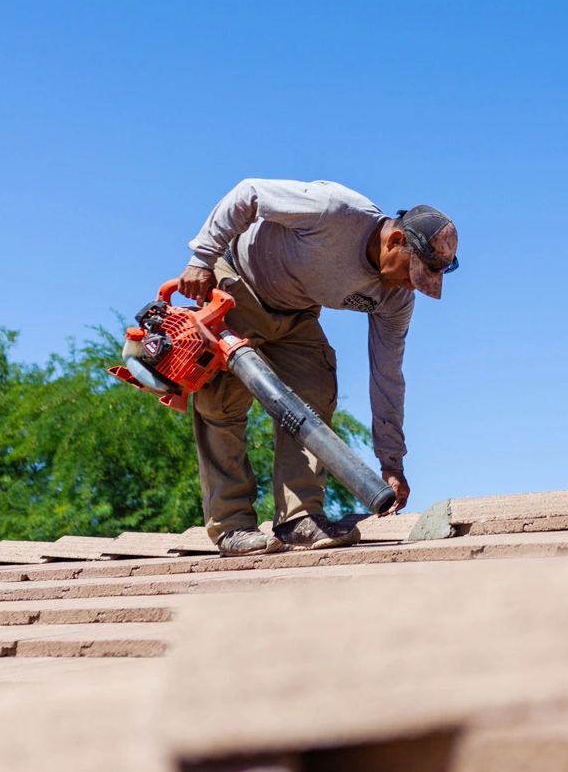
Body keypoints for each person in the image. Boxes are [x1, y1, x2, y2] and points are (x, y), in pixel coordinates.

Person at [176, 179, 458, 553]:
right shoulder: (336, 210)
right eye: (413, 273)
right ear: (394, 242)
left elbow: (387, 375)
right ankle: (231, 526)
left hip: (296, 313)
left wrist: (391, 462)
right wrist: (202, 258)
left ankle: (298, 519)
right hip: (239, 287)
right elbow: (248, 193)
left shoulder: (395, 300)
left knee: (316, 390)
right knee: (222, 402)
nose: (411, 286)